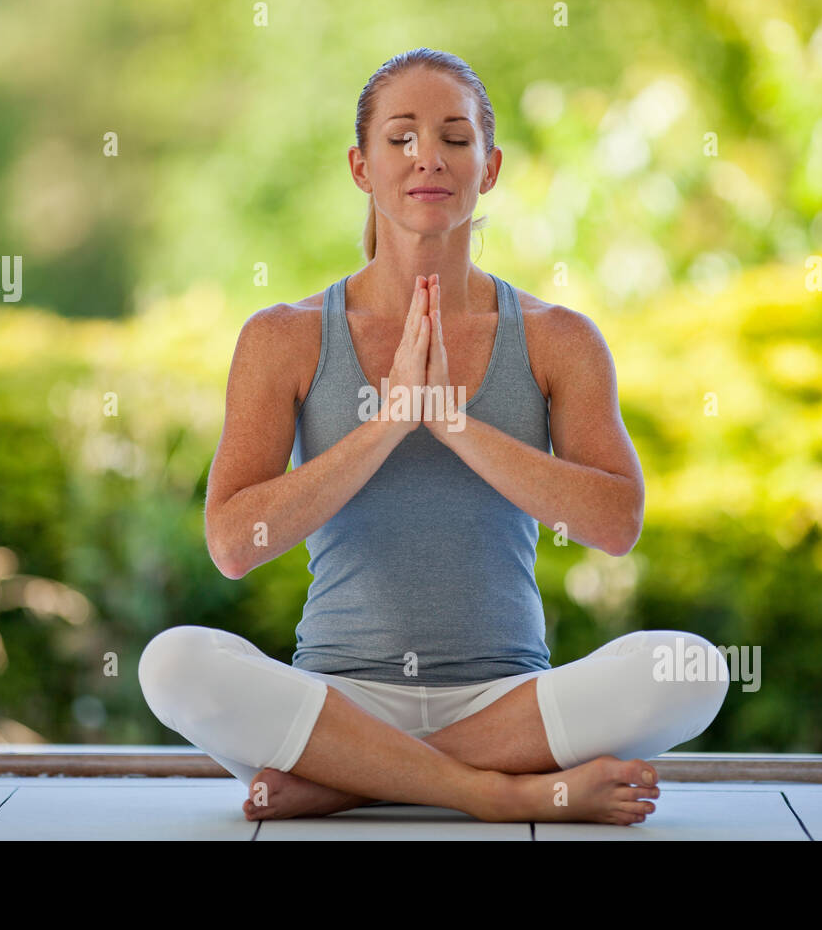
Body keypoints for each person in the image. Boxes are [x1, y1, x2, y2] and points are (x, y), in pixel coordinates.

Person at [139, 48, 729, 825]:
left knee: (692, 668)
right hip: (333, 702)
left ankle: (357, 783)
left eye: (456, 138)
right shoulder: (283, 338)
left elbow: (615, 524)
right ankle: (491, 790)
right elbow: (232, 542)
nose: (429, 157)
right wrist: (387, 424)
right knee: (173, 663)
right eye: (402, 137)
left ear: (489, 169)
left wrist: (455, 423)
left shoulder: (559, 340)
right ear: (361, 166)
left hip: (508, 699)